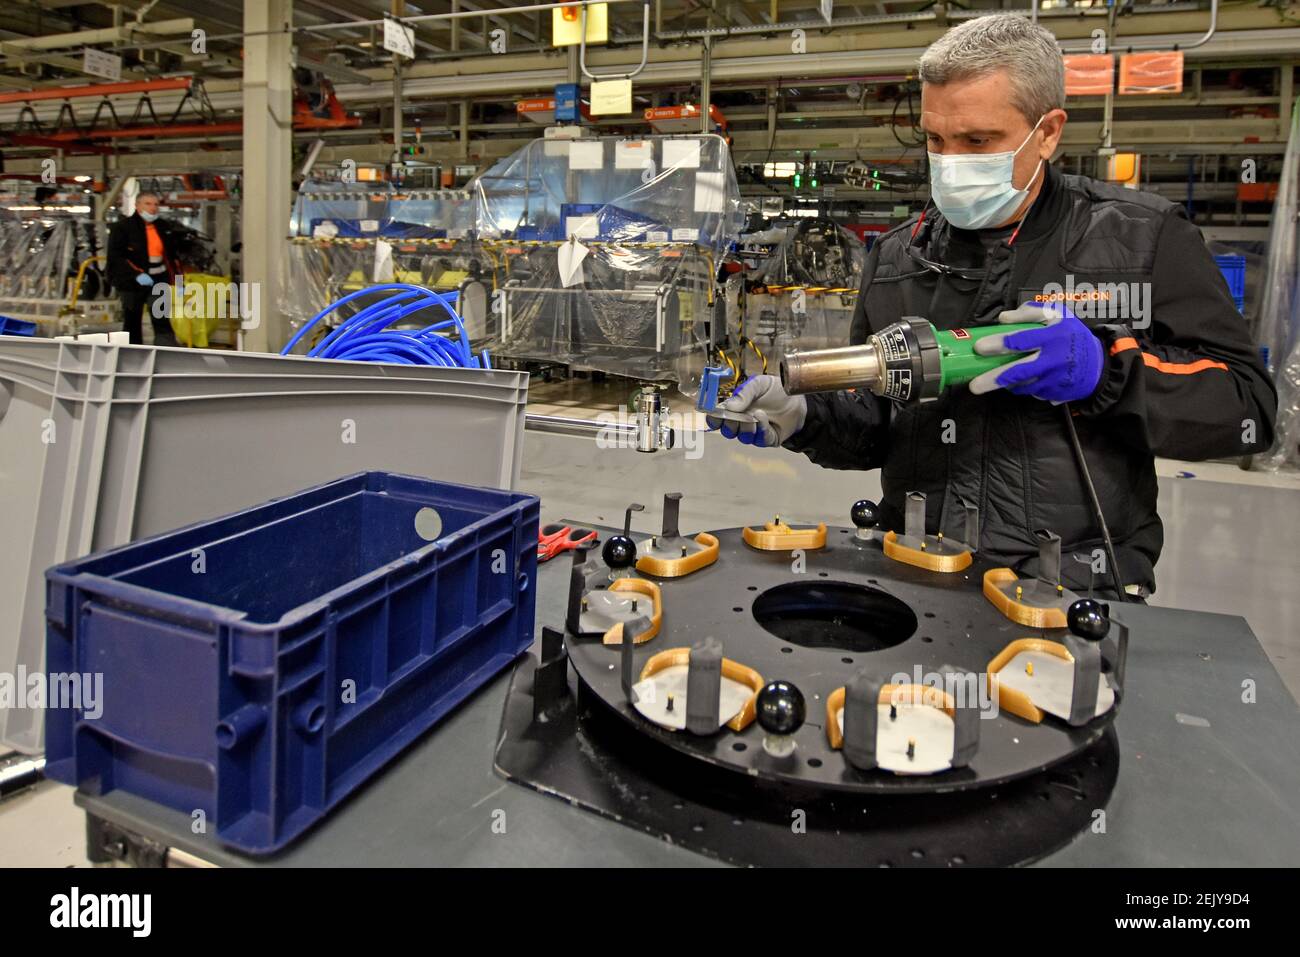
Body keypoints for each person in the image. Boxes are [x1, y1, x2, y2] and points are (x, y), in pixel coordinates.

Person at [713, 14, 1277, 598]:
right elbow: (878, 426)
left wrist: (1106, 372)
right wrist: (808, 417)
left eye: (978, 141)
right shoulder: (896, 258)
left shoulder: (1143, 240)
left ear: (1049, 131)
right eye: (936, 140)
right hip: (919, 571)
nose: (951, 161)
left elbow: (1248, 408)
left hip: (1067, 588)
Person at [106, 191, 178, 345]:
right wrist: (135, 274)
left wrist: (178, 281)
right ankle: (133, 355)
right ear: (137, 205)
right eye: (148, 204)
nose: (153, 208)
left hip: (158, 280)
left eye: (156, 204)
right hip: (132, 282)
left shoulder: (163, 227)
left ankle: (166, 353)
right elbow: (116, 257)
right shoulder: (123, 228)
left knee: (162, 318)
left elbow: (172, 257)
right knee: (132, 320)